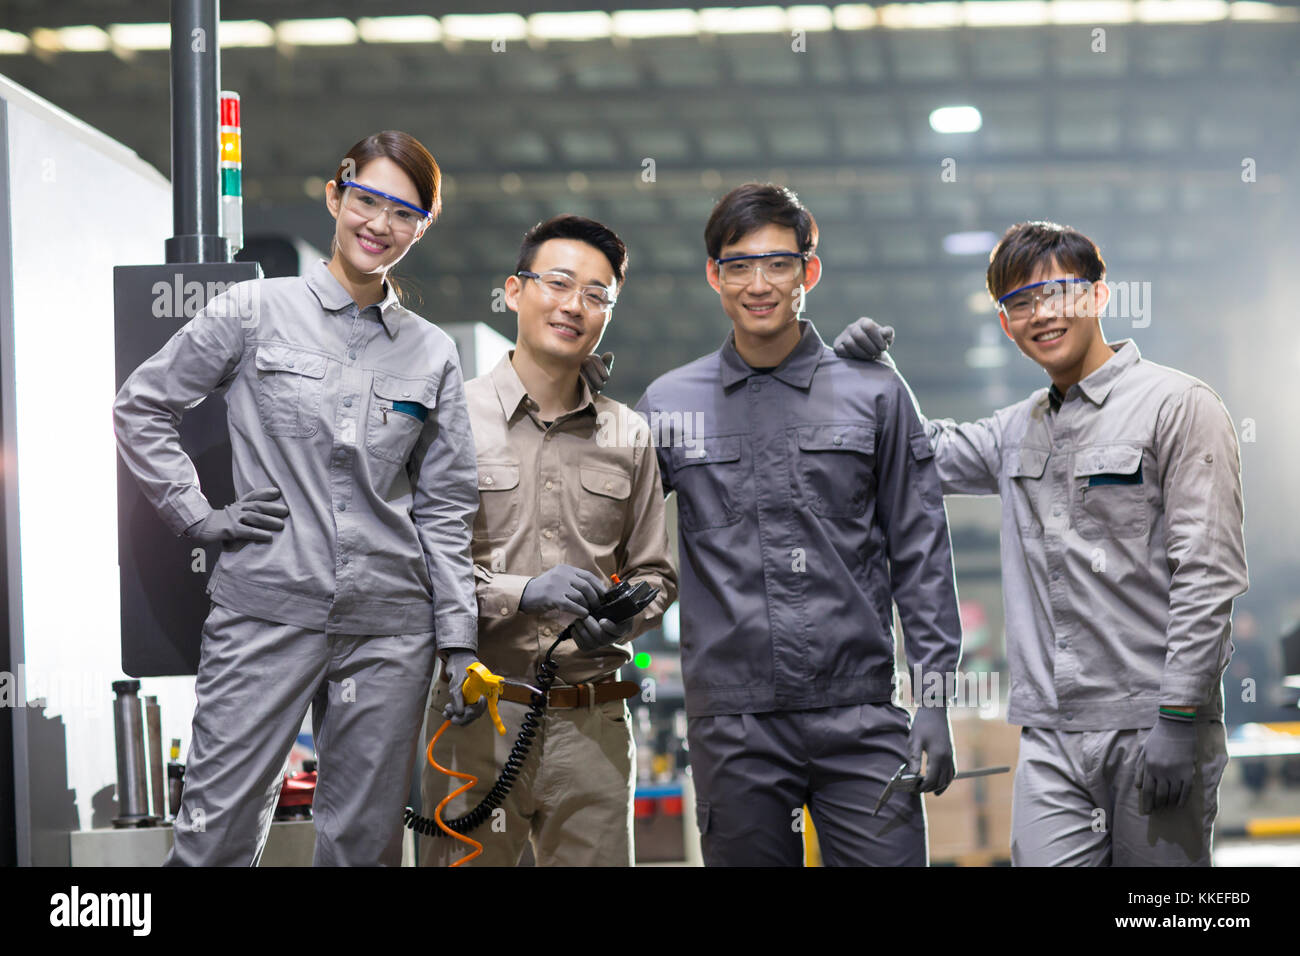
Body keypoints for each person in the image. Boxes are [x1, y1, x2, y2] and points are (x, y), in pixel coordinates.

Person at [113, 130, 484, 866]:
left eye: (404, 213)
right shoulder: (253, 311)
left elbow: (445, 509)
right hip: (265, 613)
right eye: (368, 200)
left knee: (361, 847)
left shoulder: (432, 353)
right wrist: (197, 514)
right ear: (335, 196)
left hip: (388, 632)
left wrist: (459, 637)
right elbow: (141, 406)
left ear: (423, 227)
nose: (380, 224)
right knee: (214, 837)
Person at [835, 220, 1248, 865]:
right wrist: (883, 377)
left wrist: (1181, 713)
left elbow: (1209, 572)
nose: (1040, 315)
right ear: (1005, 323)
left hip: (1151, 722)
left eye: (1056, 293)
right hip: (1050, 735)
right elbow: (924, 455)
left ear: (1096, 297)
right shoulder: (1016, 430)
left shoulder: (1179, 406)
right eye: (1019, 303)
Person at [633, 183, 963, 866]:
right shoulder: (669, 406)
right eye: (739, 265)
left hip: (862, 718)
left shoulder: (874, 392)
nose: (759, 284)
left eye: (779, 263)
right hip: (734, 725)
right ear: (714, 277)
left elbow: (922, 553)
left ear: (809, 271)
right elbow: (612, 530)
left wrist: (934, 700)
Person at [418, 215, 677, 867]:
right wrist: (520, 592)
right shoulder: (451, 419)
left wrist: (620, 618)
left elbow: (655, 573)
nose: (574, 305)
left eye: (597, 295)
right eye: (559, 283)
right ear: (514, 290)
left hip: (593, 728)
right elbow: (419, 568)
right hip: (475, 714)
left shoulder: (629, 435)